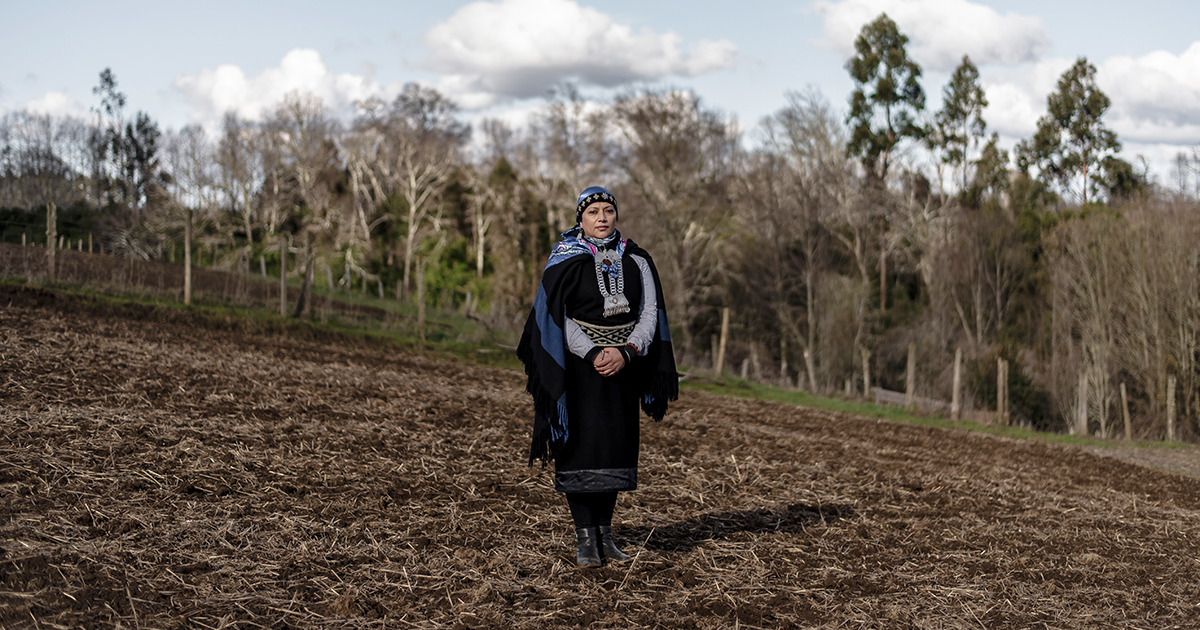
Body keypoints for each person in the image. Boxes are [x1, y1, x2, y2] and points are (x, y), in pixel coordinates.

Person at [517, 185, 678, 568]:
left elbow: (650, 313)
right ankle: (585, 539)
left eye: (608, 210)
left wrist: (626, 352)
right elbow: (558, 317)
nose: (602, 217)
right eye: (594, 212)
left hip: (624, 367)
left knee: (612, 449)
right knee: (581, 450)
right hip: (579, 369)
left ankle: (606, 535)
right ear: (581, 219)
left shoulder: (637, 259)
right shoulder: (564, 259)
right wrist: (592, 352)